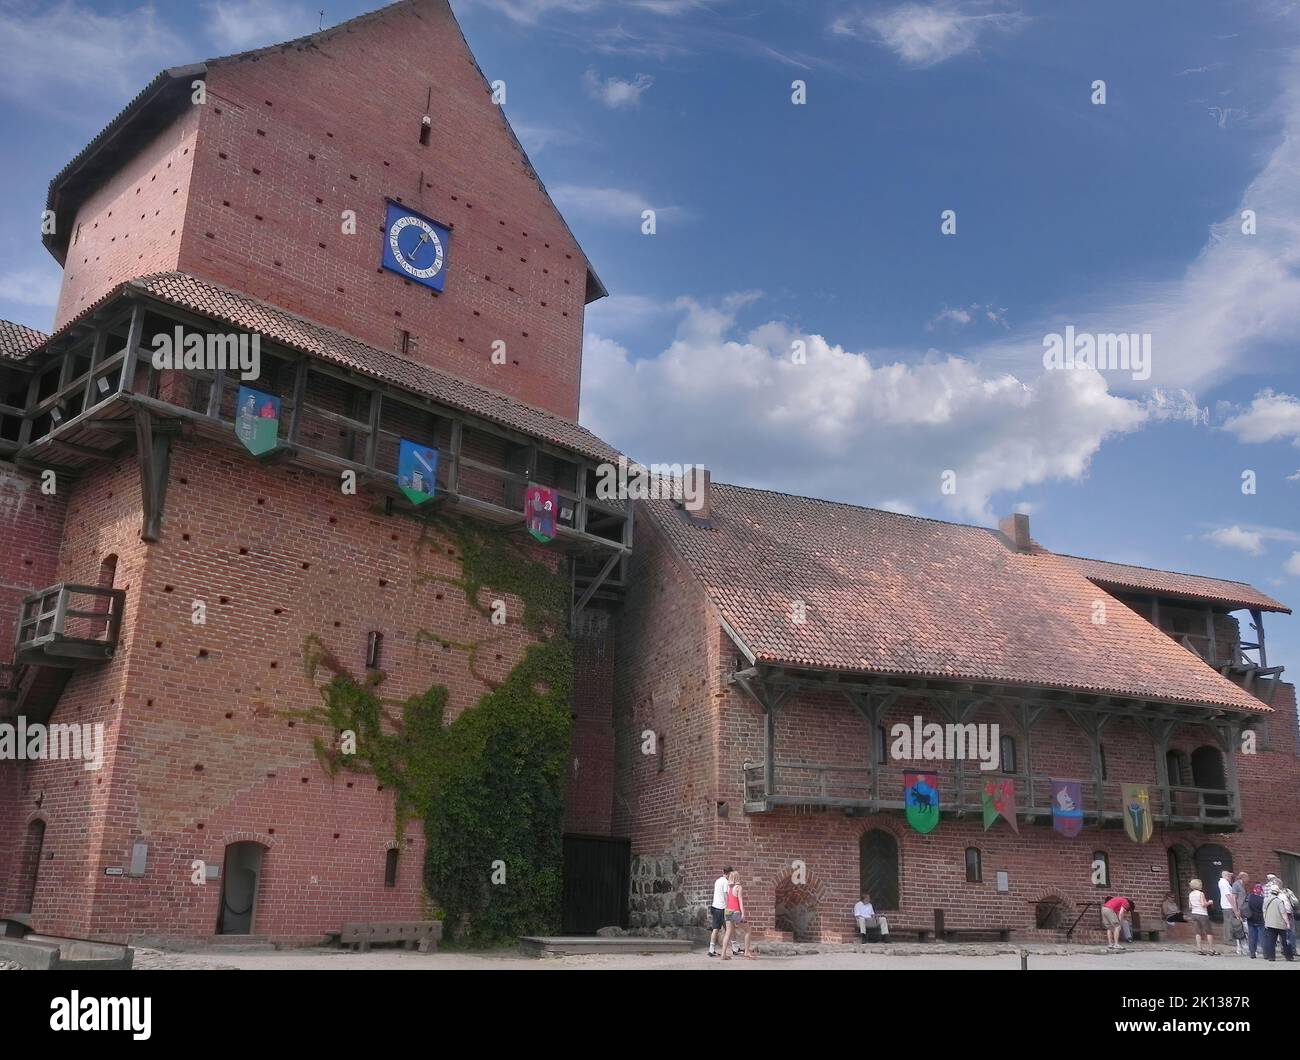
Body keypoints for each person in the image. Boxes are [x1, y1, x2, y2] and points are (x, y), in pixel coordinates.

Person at [720, 871, 755, 960]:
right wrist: (743, 913)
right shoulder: (738, 887)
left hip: (727, 911)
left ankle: (723, 954)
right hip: (735, 912)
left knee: (728, 932)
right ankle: (746, 952)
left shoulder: (728, 887)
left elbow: (727, 900)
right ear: (737, 877)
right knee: (748, 930)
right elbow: (740, 902)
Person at [708, 865, 738, 957]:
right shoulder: (725, 882)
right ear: (729, 873)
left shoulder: (717, 880)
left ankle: (711, 950)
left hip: (715, 907)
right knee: (730, 928)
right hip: (723, 908)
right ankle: (735, 948)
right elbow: (726, 895)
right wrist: (728, 906)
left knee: (715, 929)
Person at [1263, 876, 1295, 962]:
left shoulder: (1266, 900)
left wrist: (1266, 921)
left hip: (1269, 923)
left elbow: (1264, 911)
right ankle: (1289, 956)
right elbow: (1283, 913)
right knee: (1285, 941)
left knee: (1271, 941)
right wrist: (1287, 923)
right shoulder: (1279, 901)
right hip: (1280, 924)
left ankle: (1271, 957)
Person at [1188, 878, 1216, 955]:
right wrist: (1209, 902)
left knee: (1198, 932)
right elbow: (1203, 904)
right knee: (1208, 932)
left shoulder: (1191, 894)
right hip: (1202, 914)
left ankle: (1199, 948)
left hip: (1194, 913)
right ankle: (1211, 949)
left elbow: (1190, 906)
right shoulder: (1201, 894)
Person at [1230, 873, 1249, 956]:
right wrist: (1235, 910)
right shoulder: (1236, 885)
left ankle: (1244, 947)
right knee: (1239, 928)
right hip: (1239, 909)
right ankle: (1240, 948)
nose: (1248, 879)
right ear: (1243, 877)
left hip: (1243, 909)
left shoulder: (1242, 885)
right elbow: (1233, 898)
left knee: (1243, 928)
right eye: (1247, 877)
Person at [1245, 882, 1265, 959]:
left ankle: (1252, 953)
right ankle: (1265, 953)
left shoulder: (1249, 897)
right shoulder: (1262, 899)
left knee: (1252, 937)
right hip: (1260, 920)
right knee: (1262, 937)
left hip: (1250, 919)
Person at [1218, 871, 1237, 951]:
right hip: (1227, 905)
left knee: (1227, 922)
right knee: (1229, 923)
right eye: (1230, 876)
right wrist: (1233, 906)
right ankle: (1229, 939)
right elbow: (1228, 895)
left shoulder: (1222, 882)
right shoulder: (1224, 883)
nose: (1231, 878)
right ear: (1227, 876)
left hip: (1225, 905)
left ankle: (1228, 939)